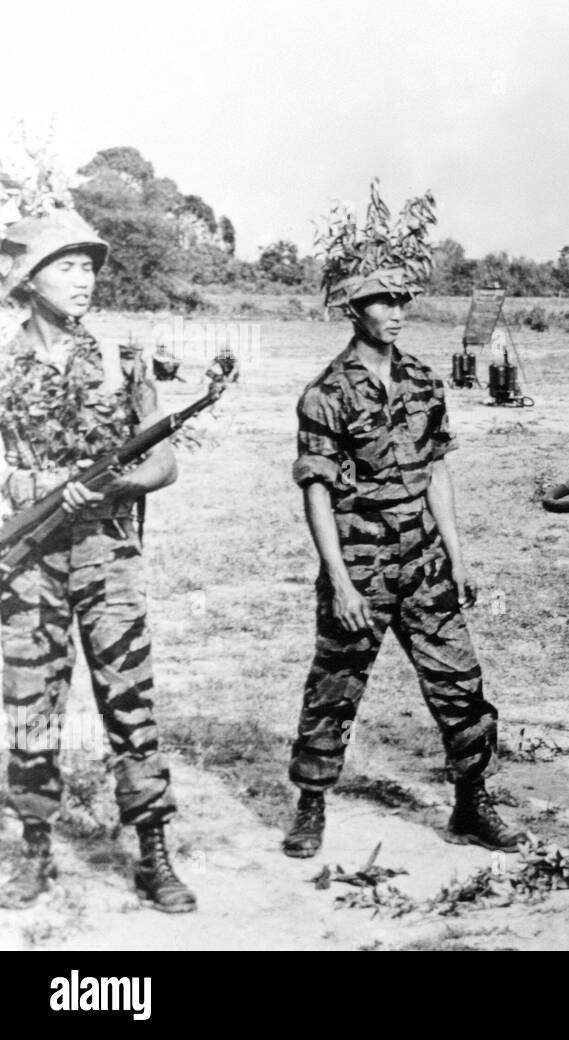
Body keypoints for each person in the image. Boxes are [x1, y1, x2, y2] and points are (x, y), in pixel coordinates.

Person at [284, 265, 523, 857]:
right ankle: (311, 804)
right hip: (360, 557)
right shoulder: (326, 392)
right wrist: (339, 581)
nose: (396, 312)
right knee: (336, 685)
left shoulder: (422, 379)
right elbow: (316, 488)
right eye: (382, 303)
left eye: (401, 302)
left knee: (459, 683)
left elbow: (437, 469)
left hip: (423, 559)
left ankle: (472, 802)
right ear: (353, 311)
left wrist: (457, 558)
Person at [0, 208, 195, 912]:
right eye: (68, 265)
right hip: (28, 563)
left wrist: (124, 481)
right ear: (32, 279)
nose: (83, 280)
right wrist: (32, 487)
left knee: (130, 703)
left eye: (89, 266)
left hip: (109, 558)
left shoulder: (122, 360)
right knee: (30, 706)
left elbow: (164, 458)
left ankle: (153, 854)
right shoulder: (0, 363)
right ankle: (34, 854)